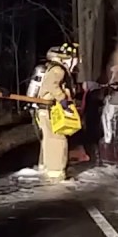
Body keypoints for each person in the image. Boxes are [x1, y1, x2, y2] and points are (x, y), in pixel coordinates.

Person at [36, 43, 80, 183]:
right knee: (58, 140)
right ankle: (56, 175)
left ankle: (48, 170)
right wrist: (62, 99)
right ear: (68, 58)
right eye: (76, 59)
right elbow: (52, 84)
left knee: (49, 139)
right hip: (51, 110)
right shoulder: (59, 70)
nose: (77, 63)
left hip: (45, 110)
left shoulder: (53, 68)